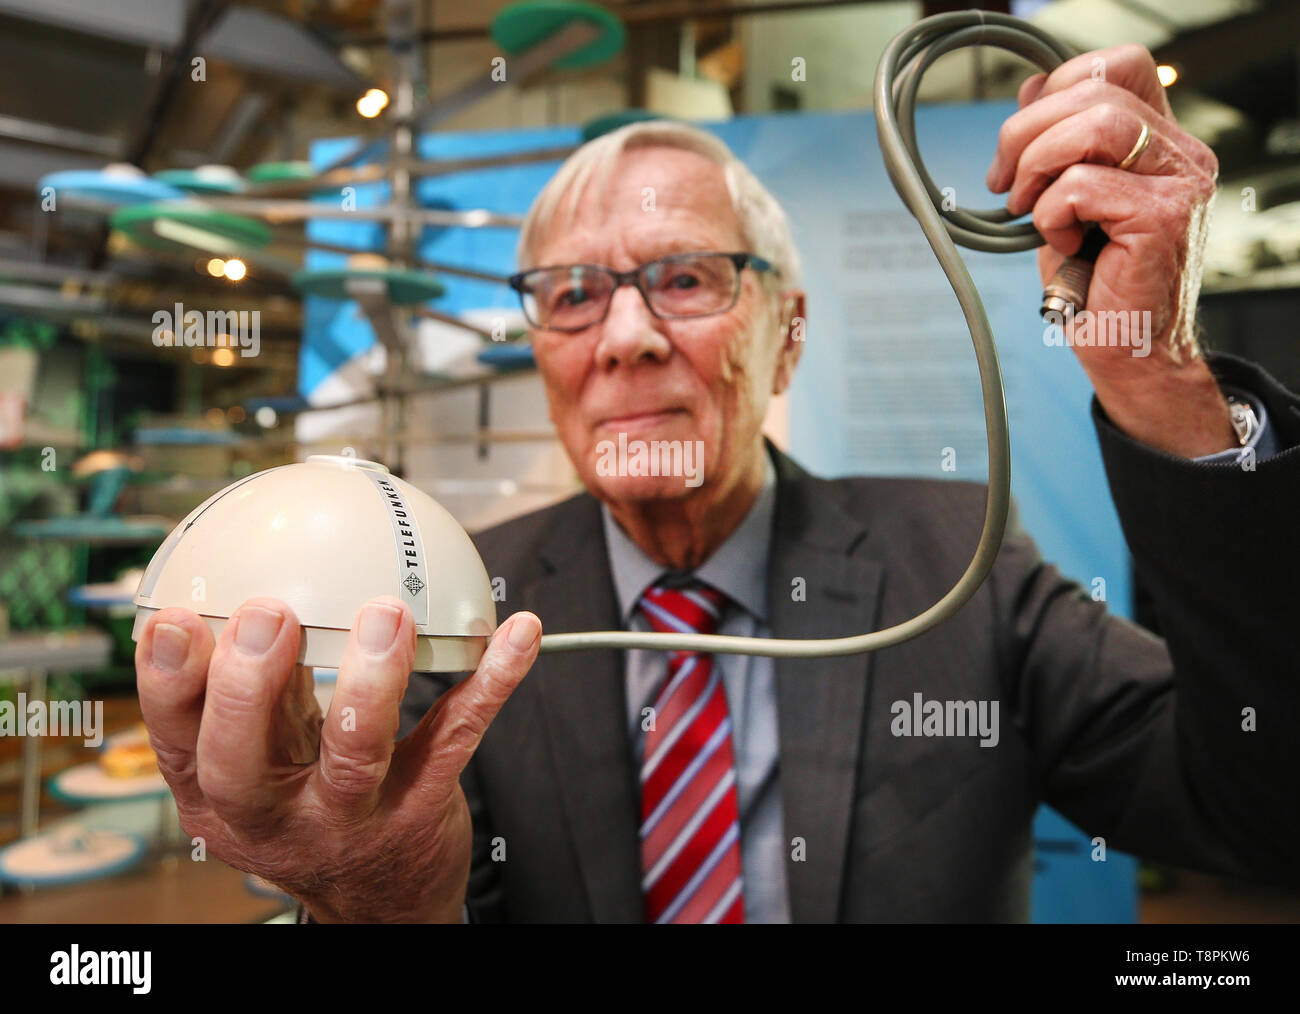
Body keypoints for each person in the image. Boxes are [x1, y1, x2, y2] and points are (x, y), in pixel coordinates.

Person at [135, 44, 1299, 923]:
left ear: (784, 336)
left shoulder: (958, 560)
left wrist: (1159, 381)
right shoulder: (457, 603)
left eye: (685, 277)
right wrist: (382, 903)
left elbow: (1258, 807)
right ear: (540, 348)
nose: (627, 338)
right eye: (574, 294)